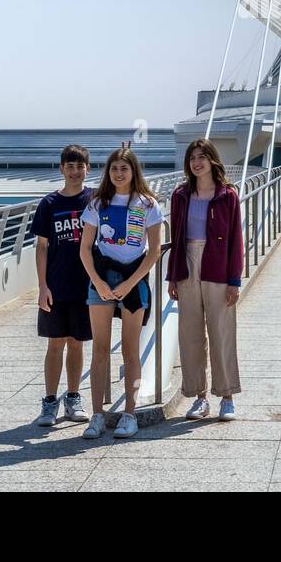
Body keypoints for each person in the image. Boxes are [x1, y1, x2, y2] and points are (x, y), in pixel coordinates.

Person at [79, 145, 163, 440]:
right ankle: (96, 416)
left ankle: (130, 413)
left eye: (124, 168)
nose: (118, 173)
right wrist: (98, 282)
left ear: (133, 171)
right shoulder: (97, 203)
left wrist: (130, 283)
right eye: (114, 168)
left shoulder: (148, 204)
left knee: (130, 350)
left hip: (133, 278)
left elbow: (153, 251)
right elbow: (85, 249)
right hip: (102, 276)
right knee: (100, 349)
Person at [167, 138, 243, 421]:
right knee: (190, 334)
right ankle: (199, 398)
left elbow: (236, 240)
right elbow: (175, 240)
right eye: (192, 158)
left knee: (222, 332)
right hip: (187, 264)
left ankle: (226, 395)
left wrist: (234, 280)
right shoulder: (180, 196)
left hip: (218, 268)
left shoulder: (228, 196)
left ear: (212, 160)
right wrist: (172, 277)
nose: (196, 163)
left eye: (201, 157)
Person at [30, 144, 95, 426]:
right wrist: (42, 286)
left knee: (77, 344)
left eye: (80, 166)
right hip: (56, 285)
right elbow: (42, 247)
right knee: (55, 344)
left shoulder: (94, 200)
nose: (75, 171)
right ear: (61, 169)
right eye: (70, 166)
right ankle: (49, 402)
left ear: (87, 169)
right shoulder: (49, 204)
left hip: (85, 285)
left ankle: (73, 397)